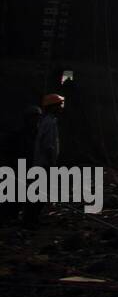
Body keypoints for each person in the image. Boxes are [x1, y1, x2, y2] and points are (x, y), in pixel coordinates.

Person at [25, 94, 64, 227]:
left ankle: (31, 219)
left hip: (42, 163)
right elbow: (48, 146)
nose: (61, 107)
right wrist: (51, 163)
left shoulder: (47, 121)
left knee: (38, 192)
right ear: (52, 107)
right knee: (40, 193)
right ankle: (30, 220)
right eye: (59, 105)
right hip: (44, 164)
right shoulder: (49, 122)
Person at [0, 106, 40, 222]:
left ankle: (19, 216)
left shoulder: (37, 134)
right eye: (33, 118)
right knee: (15, 194)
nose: (35, 121)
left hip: (31, 167)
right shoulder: (18, 135)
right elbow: (6, 151)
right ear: (27, 119)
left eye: (37, 118)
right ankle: (9, 216)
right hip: (17, 167)